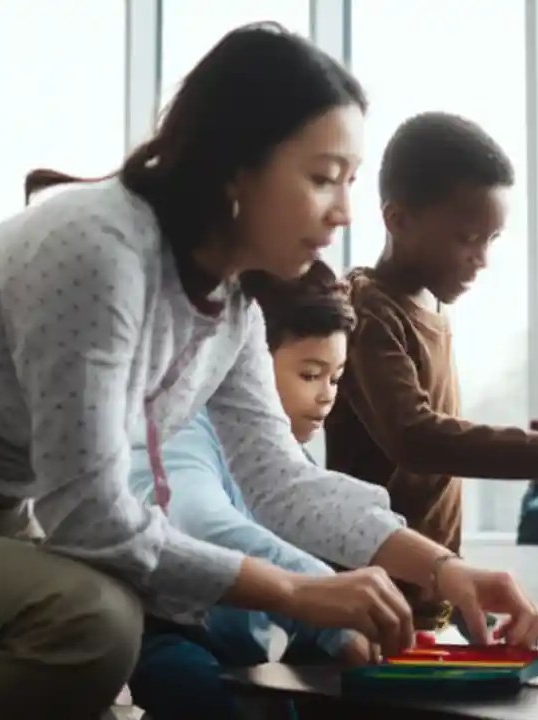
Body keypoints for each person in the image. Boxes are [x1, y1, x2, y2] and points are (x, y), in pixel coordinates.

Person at [0, 24, 538, 720]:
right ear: (236, 164)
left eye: (351, 181)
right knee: (93, 625)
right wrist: (295, 592)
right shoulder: (98, 247)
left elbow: (279, 480)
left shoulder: (230, 312)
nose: (343, 213)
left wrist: (442, 569)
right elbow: (91, 519)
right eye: (324, 177)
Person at [325, 111, 538, 630]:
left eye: (491, 240)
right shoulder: (368, 310)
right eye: (468, 238)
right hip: (367, 603)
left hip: (429, 598)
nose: (481, 260)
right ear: (398, 219)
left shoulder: (432, 308)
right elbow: (416, 438)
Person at [120, 261, 362, 719]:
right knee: (206, 691)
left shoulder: (296, 462)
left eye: (335, 377)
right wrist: (325, 598)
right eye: (310, 375)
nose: (328, 394)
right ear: (246, 357)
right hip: (167, 631)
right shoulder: (187, 426)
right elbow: (202, 522)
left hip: (241, 648)